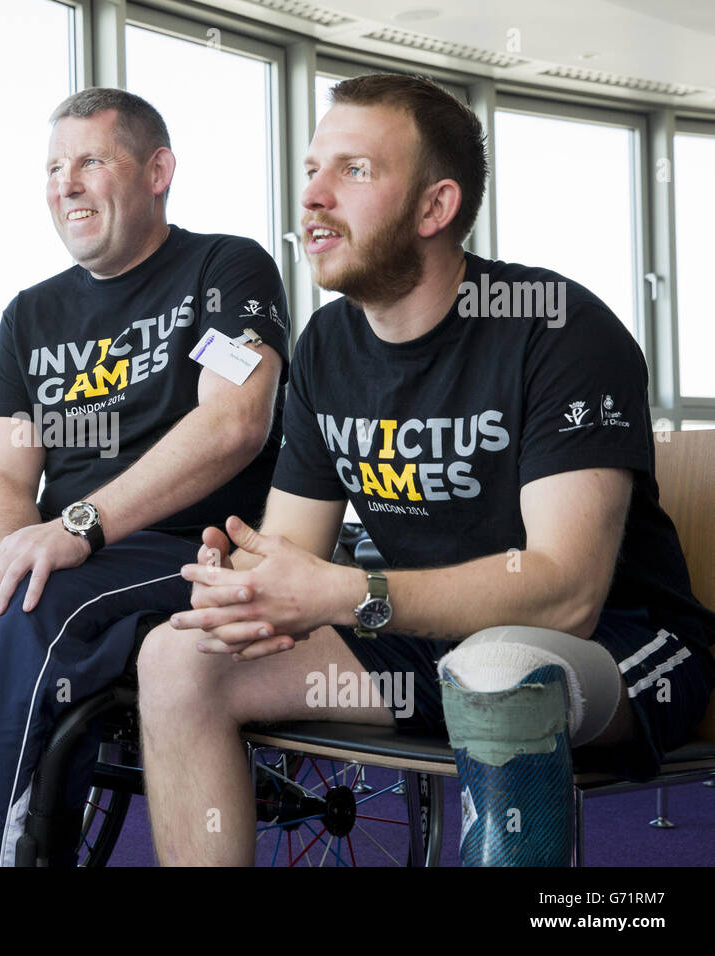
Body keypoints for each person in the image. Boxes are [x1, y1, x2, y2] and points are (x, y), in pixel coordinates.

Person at [138, 73, 715, 866]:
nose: (313, 196)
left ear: (435, 208)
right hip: (420, 638)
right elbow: (293, 554)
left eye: (354, 170)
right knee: (178, 657)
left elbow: (567, 592)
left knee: (500, 668)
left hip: (613, 645)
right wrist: (244, 584)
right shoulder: (327, 348)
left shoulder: (560, 329)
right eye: (312, 169)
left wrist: (349, 593)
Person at [0, 87, 289, 866]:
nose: (67, 183)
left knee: (38, 607)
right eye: (54, 167)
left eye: (91, 160)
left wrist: (74, 531)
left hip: (183, 549)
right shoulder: (30, 315)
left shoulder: (223, 269)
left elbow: (233, 423)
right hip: (64, 549)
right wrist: (10, 555)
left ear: (158, 171)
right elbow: (0, 473)